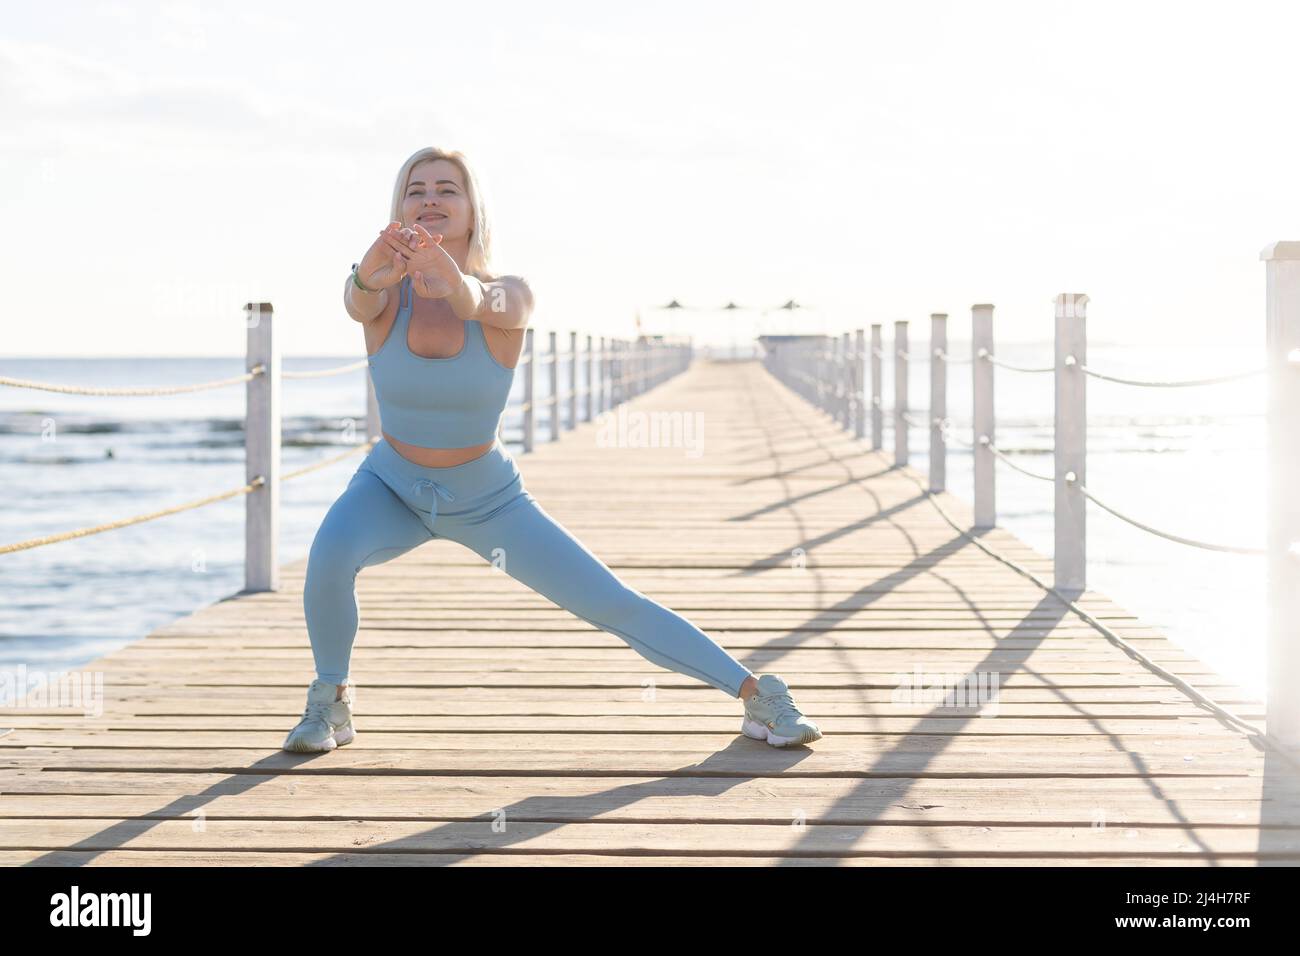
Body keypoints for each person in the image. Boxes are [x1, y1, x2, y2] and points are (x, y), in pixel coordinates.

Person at [283, 147, 822, 753]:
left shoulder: (511, 291)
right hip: (390, 486)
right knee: (328, 557)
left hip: (486, 497)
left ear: (471, 209)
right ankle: (330, 703)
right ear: (399, 206)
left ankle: (758, 695)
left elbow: (479, 305)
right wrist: (366, 274)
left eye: (446, 188)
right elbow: (356, 301)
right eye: (416, 189)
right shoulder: (383, 293)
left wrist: (452, 280)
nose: (429, 198)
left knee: (610, 603)